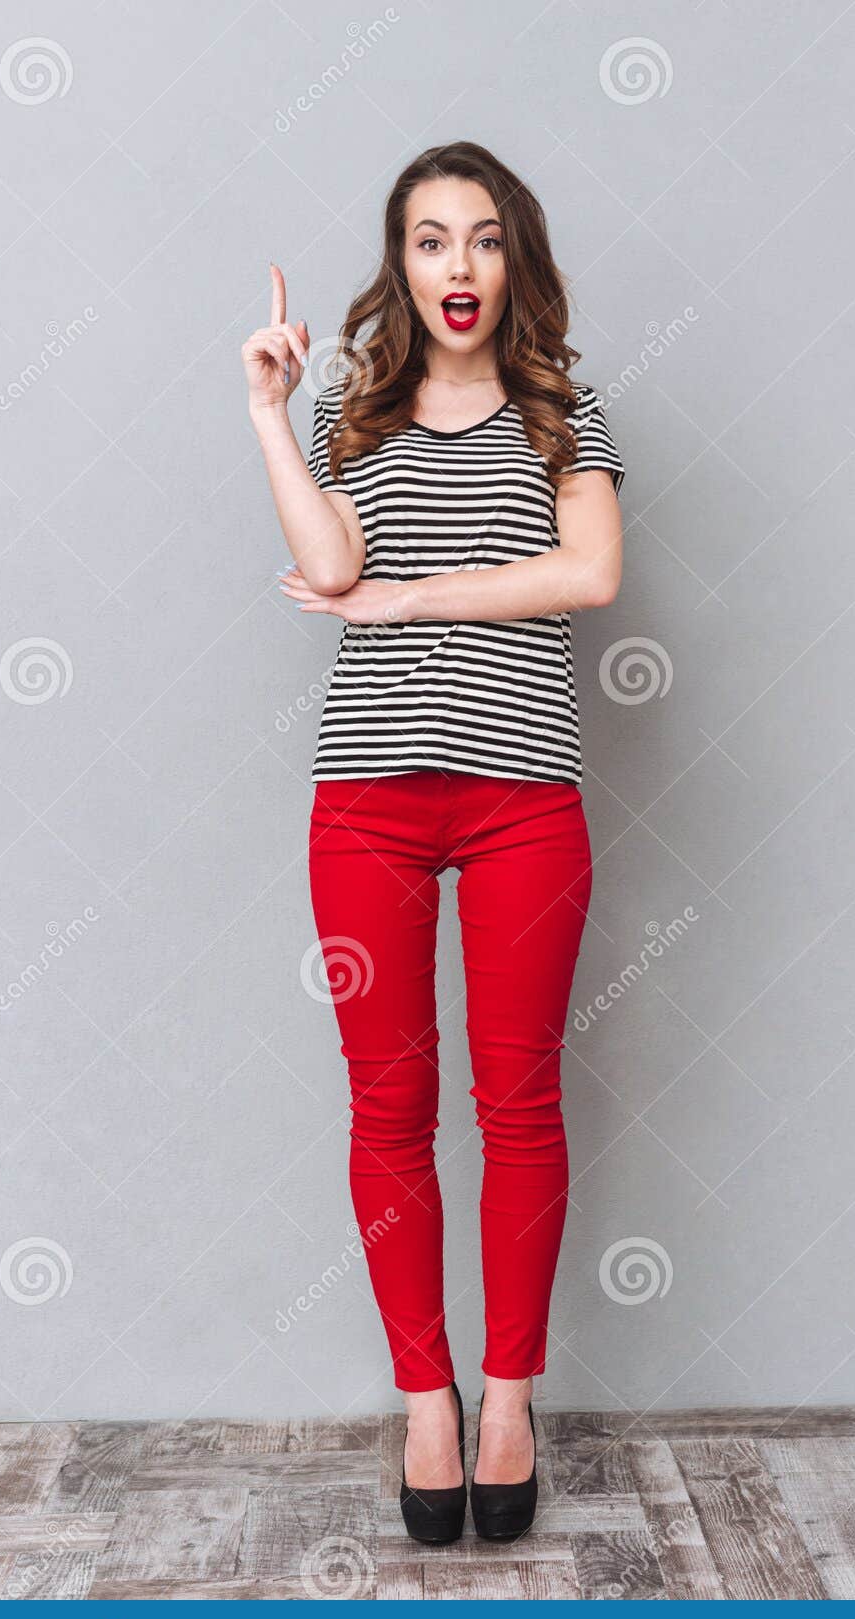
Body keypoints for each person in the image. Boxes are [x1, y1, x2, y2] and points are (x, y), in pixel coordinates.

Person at [243, 140, 625, 1544]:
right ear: (399, 264)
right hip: (370, 806)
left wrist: (412, 604)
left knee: (518, 1104)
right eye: (427, 240)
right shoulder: (361, 407)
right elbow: (332, 566)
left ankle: (510, 1398)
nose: (455, 266)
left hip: (527, 800)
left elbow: (590, 573)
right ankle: (426, 1401)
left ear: (513, 258)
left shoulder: (563, 414)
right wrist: (272, 414)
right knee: (389, 1111)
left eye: (480, 239)